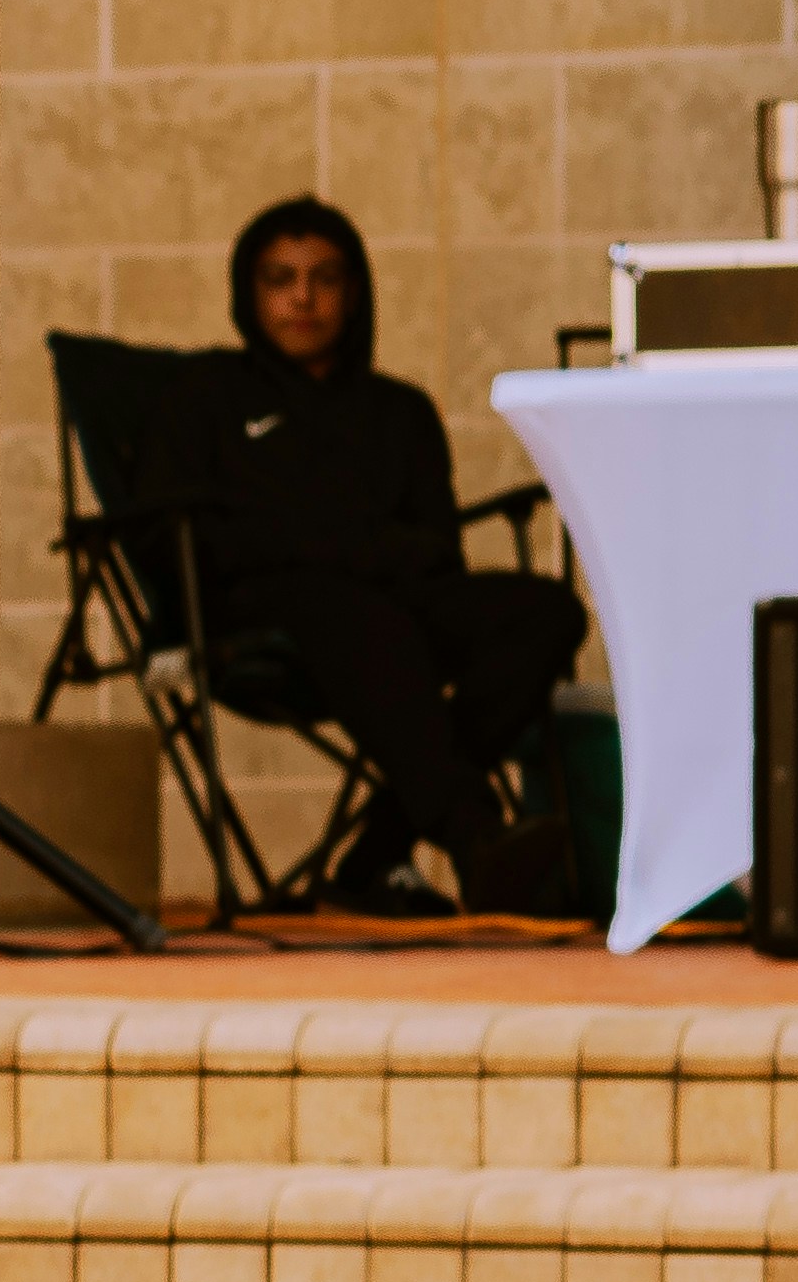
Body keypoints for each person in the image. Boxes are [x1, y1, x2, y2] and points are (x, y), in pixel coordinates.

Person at [205, 199, 586, 923]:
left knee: (543, 613)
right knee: (348, 606)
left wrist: (336, 540)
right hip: (269, 619)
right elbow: (222, 542)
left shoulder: (400, 412)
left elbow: (433, 552)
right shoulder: (210, 397)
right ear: (248, 293)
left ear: (353, 293)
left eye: (323, 278)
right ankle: (473, 833)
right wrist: (358, 545)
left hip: (394, 610)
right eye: (279, 278)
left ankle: (375, 854)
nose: (302, 298)